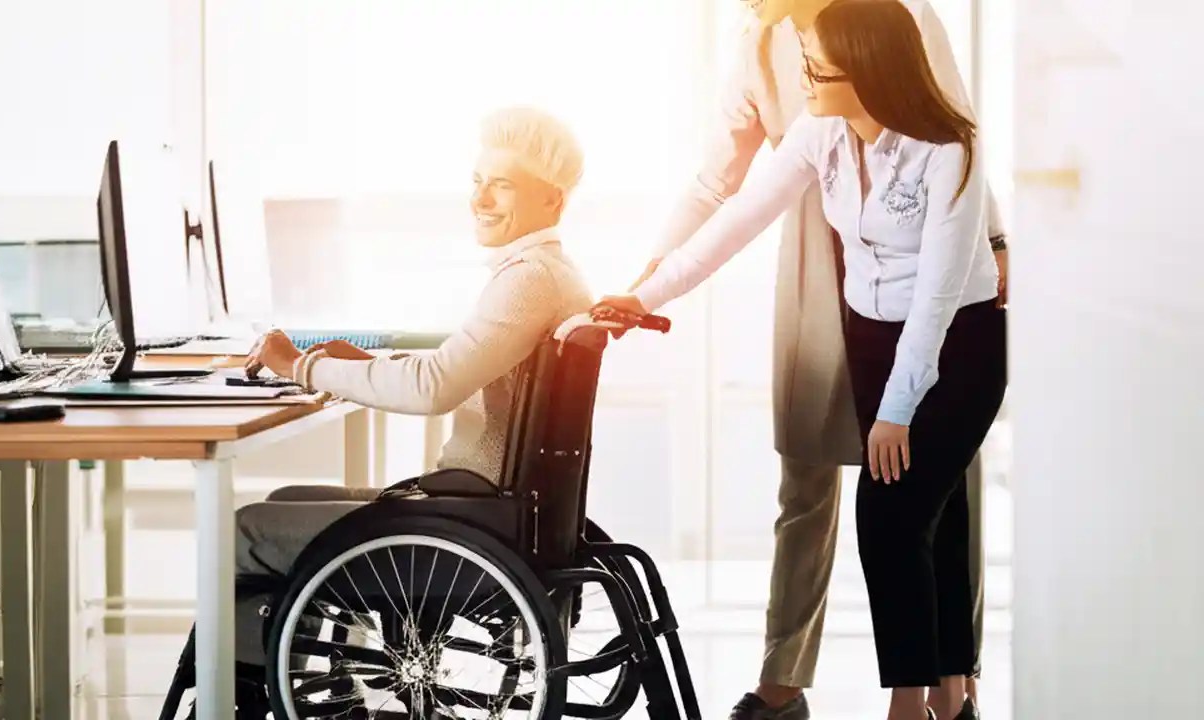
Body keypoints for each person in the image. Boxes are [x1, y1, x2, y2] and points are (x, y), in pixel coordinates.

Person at [599, 1, 1007, 718]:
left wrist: (993, 248)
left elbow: (941, 279)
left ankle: (933, 689)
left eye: (822, 70)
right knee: (849, 494)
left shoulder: (930, 99)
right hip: (852, 299)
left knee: (911, 502)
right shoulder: (792, 93)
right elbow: (728, 207)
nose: (808, 74)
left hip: (946, 316)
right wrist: (643, 291)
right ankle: (859, 685)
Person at [239, 105, 593, 666]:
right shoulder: (547, 274)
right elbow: (467, 365)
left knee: (249, 530)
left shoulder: (528, 281)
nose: (479, 200)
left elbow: (432, 388)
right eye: (478, 183)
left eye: (500, 186)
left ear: (552, 199)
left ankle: (243, 698)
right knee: (283, 502)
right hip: (488, 510)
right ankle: (311, 690)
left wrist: (297, 367)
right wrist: (367, 360)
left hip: (470, 524)